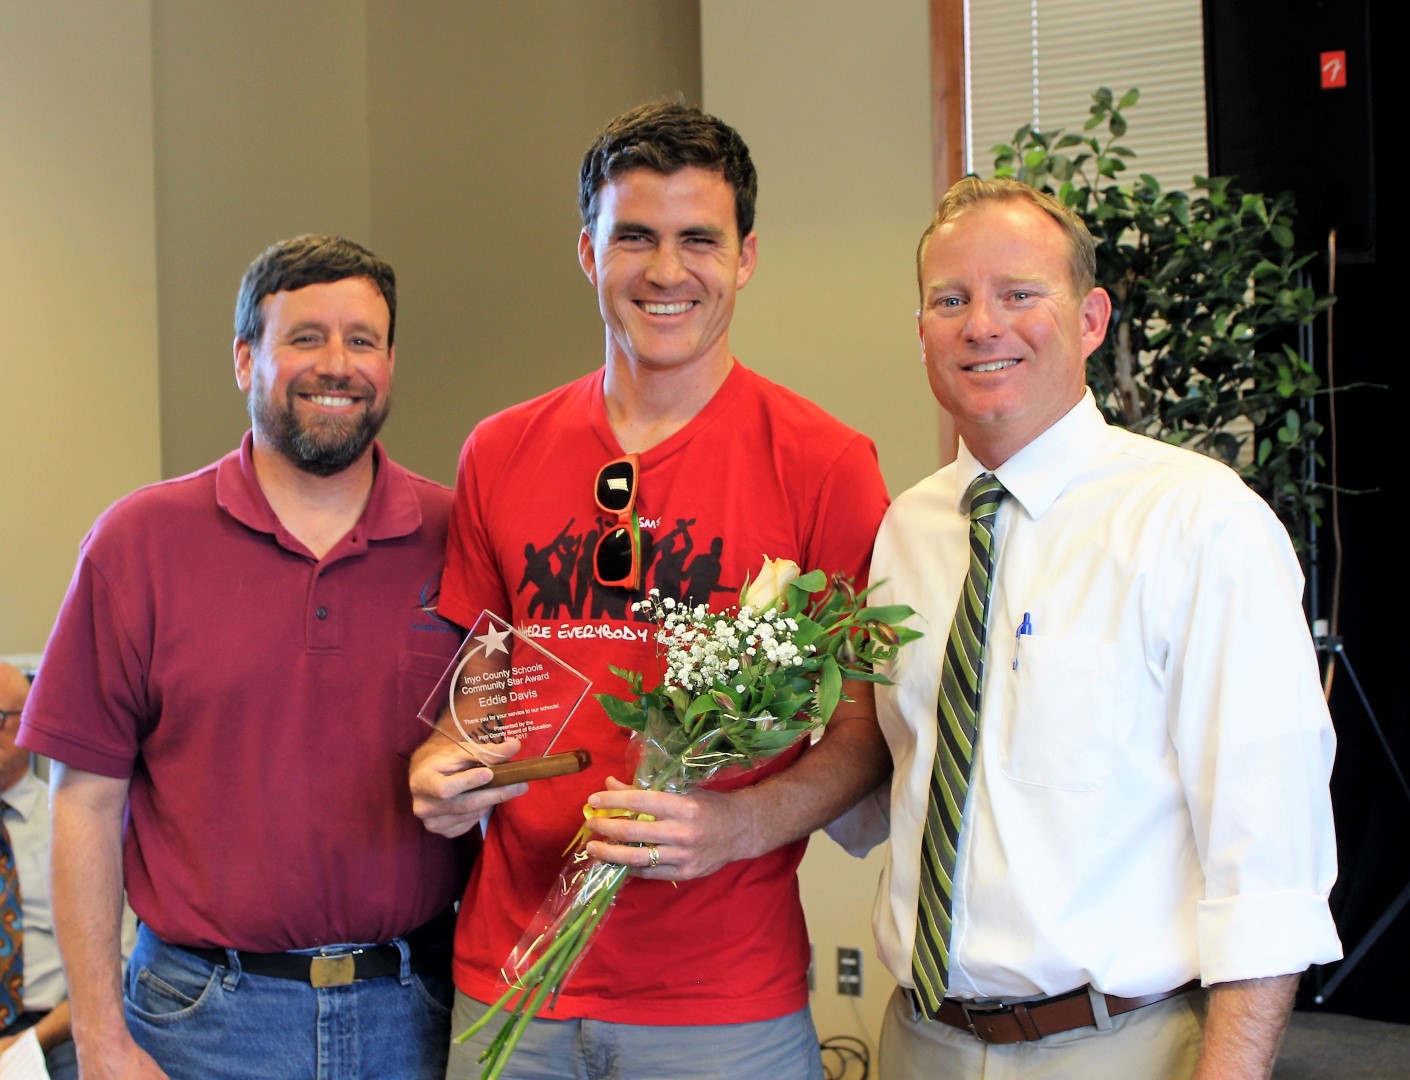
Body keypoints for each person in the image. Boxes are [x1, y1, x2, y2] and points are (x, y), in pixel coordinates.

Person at [409, 101, 892, 1080]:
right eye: (634, 237)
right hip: (508, 980)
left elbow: (860, 739)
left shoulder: (826, 463)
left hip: (723, 1001)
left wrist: (733, 828)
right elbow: (485, 682)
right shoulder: (499, 452)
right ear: (587, 252)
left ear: (746, 256)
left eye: (697, 239)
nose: (666, 273)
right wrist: (448, 766)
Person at [863, 176, 1341, 1079]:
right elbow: (897, 778)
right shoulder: (909, 531)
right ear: (922, 328)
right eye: (950, 300)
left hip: (1118, 1047)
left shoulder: (1200, 522)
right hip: (915, 1041)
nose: (982, 325)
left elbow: (1268, 851)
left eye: (1018, 294)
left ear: (1089, 319)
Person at [18, 235, 468, 1080]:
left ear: (390, 361)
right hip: (200, 1022)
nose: (337, 365)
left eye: (362, 340)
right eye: (305, 337)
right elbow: (83, 804)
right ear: (243, 358)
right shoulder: (138, 544)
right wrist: (103, 1040)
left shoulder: (460, 536)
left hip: (419, 1014)